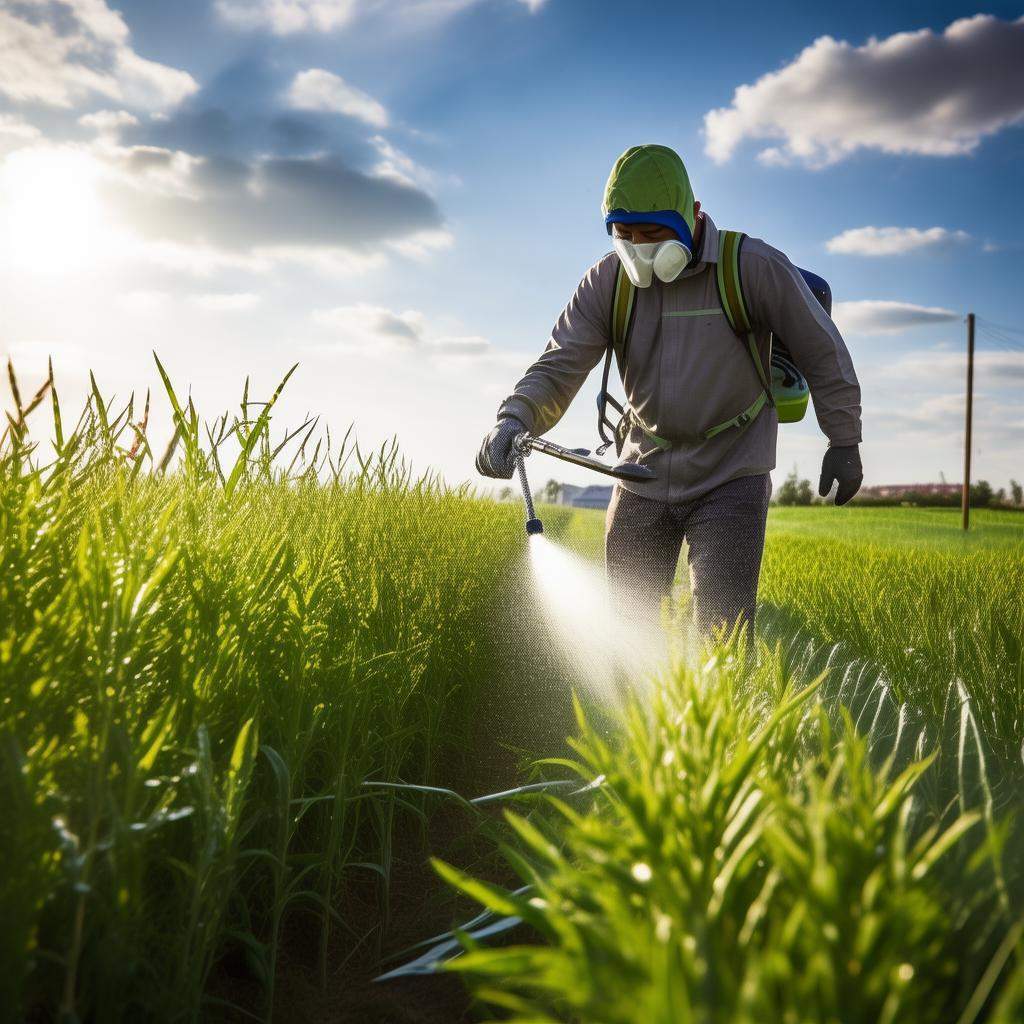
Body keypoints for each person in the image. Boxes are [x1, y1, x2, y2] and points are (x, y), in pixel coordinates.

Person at [476, 144, 862, 636]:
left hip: (732, 474)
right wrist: (515, 418)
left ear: (691, 216)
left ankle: (722, 709)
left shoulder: (752, 267)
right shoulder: (607, 282)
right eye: (625, 233)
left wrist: (844, 439)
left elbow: (823, 350)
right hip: (640, 471)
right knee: (628, 626)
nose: (638, 247)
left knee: (722, 633)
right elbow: (559, 364)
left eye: (653, 233)